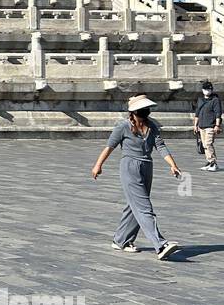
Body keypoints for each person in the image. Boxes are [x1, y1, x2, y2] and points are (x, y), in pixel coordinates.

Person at [92, 95, 181, 259]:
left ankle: (121, 240)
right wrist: (98, 165)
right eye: (141, 110)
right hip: (129, 167)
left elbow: (160, 146)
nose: (145, 113)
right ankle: (160, 245)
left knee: (134, 205)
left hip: (147, 167)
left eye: (146, 110)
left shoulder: (152, 126)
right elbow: (109, 146)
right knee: (144, 206)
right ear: (133, 112)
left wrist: (172, 164)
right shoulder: (123, 127)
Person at [192, 80, 222, 173]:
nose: (207, 91)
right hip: (201, 126)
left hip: (210, 126)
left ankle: (213, 162)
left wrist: (217, 125)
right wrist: (195, 125)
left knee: (208, 144)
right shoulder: (200, 100)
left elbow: (218, 113)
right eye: (206, 89)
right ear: (202, 90)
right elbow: (197, 113)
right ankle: (209, 161)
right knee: (204, 145)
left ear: (212, 90)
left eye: (209, 89)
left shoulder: (215, 100)